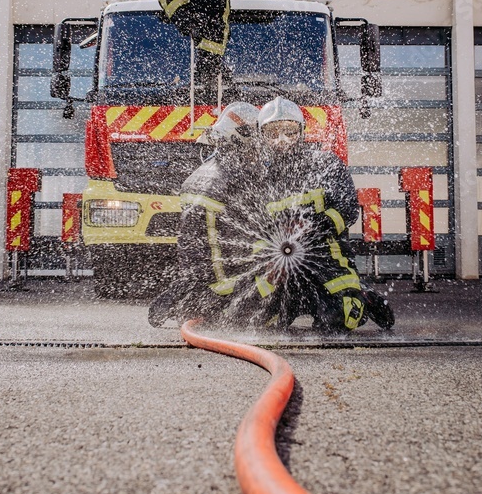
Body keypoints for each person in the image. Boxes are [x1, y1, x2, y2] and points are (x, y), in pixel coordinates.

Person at [250, 97, 395, 333]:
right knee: (255, 321)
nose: (282, 140)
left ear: (303, 133)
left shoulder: (325, 164)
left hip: (327, 263)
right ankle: (291, 304)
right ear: (261, 136)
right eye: (272, 133)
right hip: (283, 270)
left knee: (339, 320)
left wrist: (314, 229)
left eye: (289, 132)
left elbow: (348, 210)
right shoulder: (260, 179)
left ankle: (364, 296)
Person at [147, 102, 263, 327]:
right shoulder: (236, 178)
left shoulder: (202, 173)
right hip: (223, 290)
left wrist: (185, 286)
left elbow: (193, 244)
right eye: (254, 146)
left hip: (197, 279)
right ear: (240, 138)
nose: (256, 153)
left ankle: (188, 300)